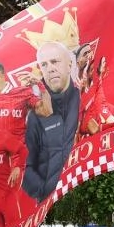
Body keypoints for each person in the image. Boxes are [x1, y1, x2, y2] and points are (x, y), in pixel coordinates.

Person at [21, 41, 81, 203]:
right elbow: (24, 165)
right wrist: (45, 191)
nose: (50, 68)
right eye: (44, 65)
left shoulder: (85, 99)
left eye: (55, 62)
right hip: (53, 205)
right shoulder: (36, 115)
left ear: (69, 64)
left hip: (87, 196)